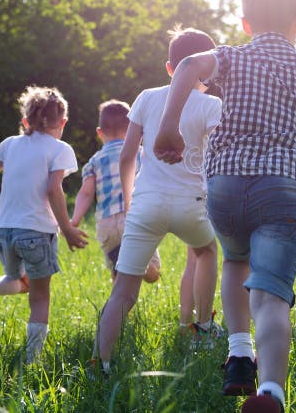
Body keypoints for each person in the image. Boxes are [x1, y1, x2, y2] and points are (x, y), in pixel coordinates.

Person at [154, 0, 296, 413]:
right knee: (272, 294)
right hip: (283, 190)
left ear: (245, 23)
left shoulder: (231, 57)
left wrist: (169, 127)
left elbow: (186, 66)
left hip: (226, 187)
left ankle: (239, 353)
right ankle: (271, 391)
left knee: (235, 261)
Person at [94, 27, 223, 371]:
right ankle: (204, 326)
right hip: (191, 204)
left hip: (146, 203)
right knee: (206, 251)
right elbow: (216, 158)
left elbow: (126, 157)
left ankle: (100, 363)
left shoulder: (146, 97)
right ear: (209, 71)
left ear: (170, 67)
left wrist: (128, 199)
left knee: (123, 291)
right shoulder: (213, 105)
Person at [0, 86, 88, 364]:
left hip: (4, 232)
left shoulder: (10, 144)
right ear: (62, 122)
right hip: (37, 232)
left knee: (21, 281)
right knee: (39, 297)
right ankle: (32, 361)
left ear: (26, 121)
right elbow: (54, 189)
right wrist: (68, 229)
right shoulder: (60, 148)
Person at [70, 100, 161, 283]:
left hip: (107, 225)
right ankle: (143, 266)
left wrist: (75, 221)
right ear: (134, 129)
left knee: (118, 277)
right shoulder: (140, 153)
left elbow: (86, 193)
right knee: (153, 274)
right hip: (136, 216)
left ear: (99, 133)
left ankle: (119, 309)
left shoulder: (95, 161)